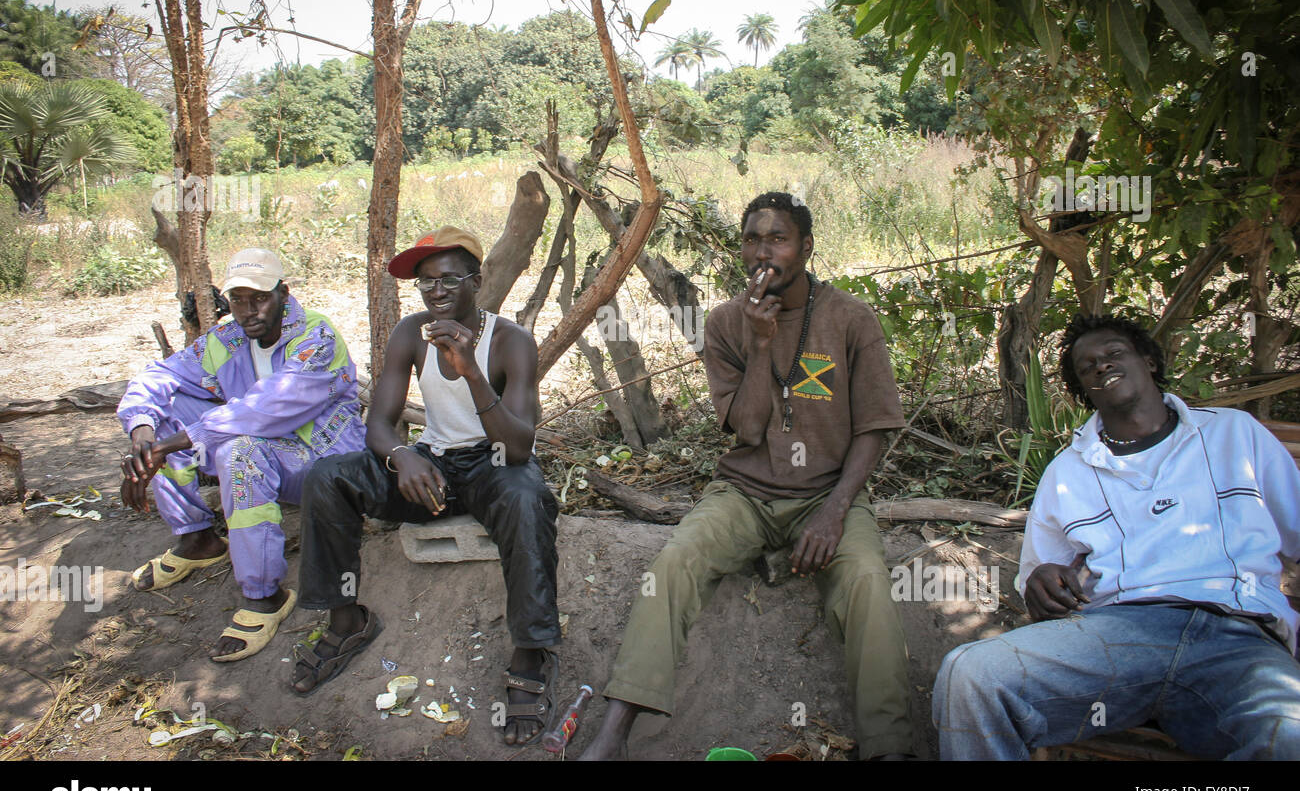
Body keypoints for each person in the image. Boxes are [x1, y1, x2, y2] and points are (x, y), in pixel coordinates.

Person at [580, 191, 913, 760]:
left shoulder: (850, 320)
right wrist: (761, 346)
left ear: (805, 247)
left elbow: (875, 428)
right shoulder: (729, 322)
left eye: (777, 239)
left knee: (866, 581)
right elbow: (749, 429)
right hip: (746, 491)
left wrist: (835, 514)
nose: (763, 252)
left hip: (827, 495)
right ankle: (614, 733)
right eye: (752, 240)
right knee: (675, 561)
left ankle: (889, 746)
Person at [933, 313, 1300, 759]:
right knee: (970, 674)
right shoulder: (1067, 472)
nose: (1101, 366)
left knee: (1289, 738)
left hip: (1238, 636)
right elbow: (1036, 580)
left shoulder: (1232, 433)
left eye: (1113, 354)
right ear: (1082, 389)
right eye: (1087, 367)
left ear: (1147, 359)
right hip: (1117, 638)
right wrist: (1042, 585)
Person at [293, 226, 561, 746]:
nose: (435, 293)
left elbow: (521, 446)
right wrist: (403, 456)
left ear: (476, 281)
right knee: (328, 476)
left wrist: (472, 374)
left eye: (447, 281)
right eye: (425, 283)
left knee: (527, 496)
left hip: (494, 463)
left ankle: (531, 652)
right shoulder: (411, 332)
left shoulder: (510, 341)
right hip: (432, 467)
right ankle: (347, 620)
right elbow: (379, 423)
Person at [117, 248, 366, 661]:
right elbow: (159, 375)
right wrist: (143, 435)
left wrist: (171, 445)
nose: (248, 311)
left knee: (238, 450)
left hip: (324, 467)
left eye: (260, 298)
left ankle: (264, 594)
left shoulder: (316, 338)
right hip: (267, 453)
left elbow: (264, 410)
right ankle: (197, 538)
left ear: (283, 293)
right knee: (163, 418)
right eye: (238, 300)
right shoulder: (228, 338)